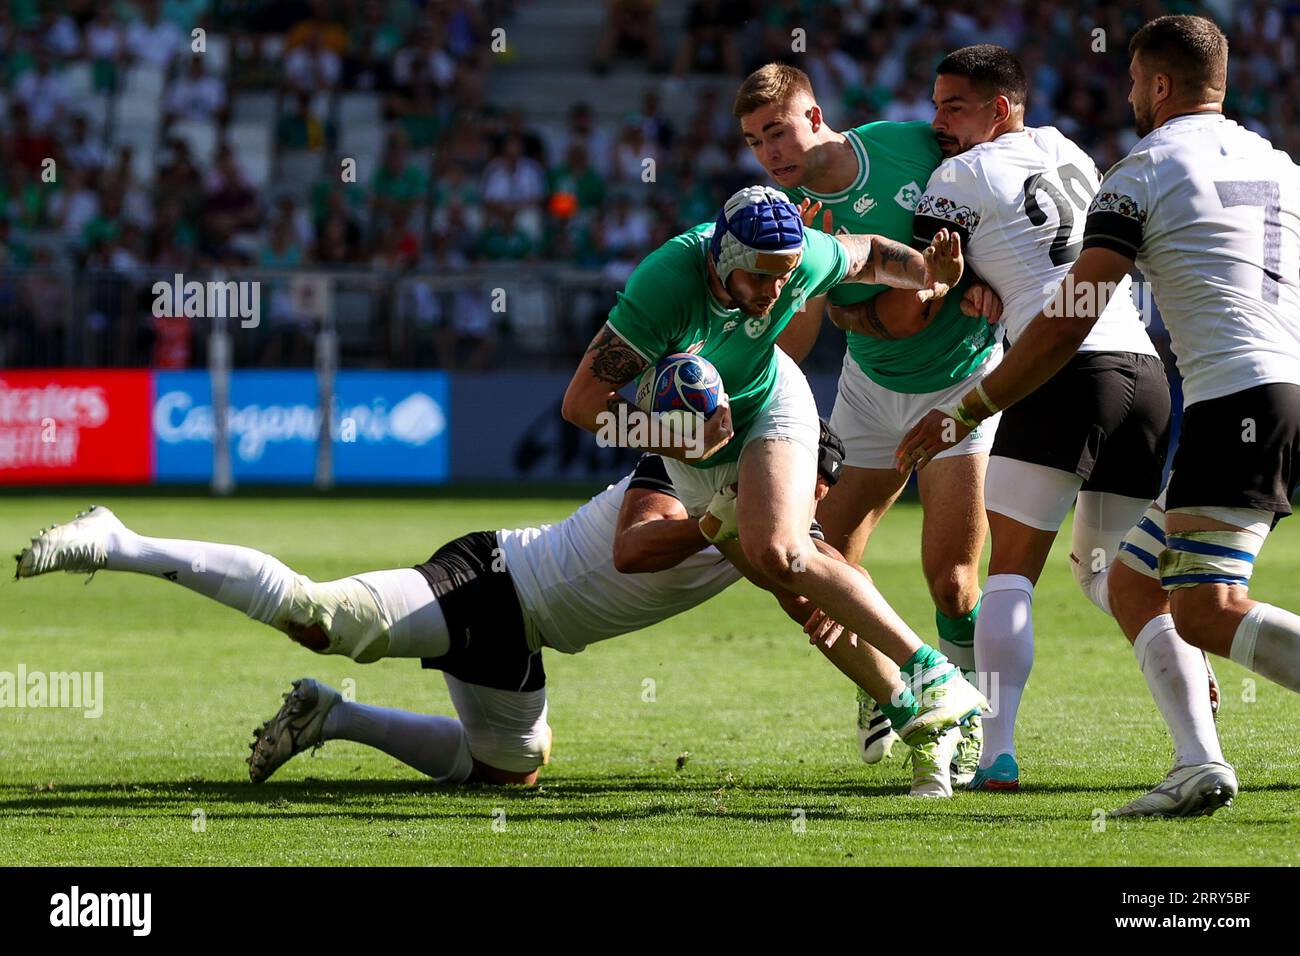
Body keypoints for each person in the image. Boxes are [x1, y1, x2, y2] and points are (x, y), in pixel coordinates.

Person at [898, 15, 1300, 816]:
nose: (1127, 97)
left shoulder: (1143, 167)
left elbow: (1073, 302)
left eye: (1130, 83)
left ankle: (999, 748)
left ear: (1155, 85)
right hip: (1198, 382)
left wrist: (972, 401)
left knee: (1198, 603)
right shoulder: (1278, 163)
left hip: (1223, 396)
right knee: (1126, 579)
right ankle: (1197, 762)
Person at [15, 433, 847, 788]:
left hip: (523, 634)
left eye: (818, 493)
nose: (807, 503)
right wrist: (723, 523)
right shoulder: (694, 465)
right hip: (493, 580)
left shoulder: (778, 532)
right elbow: (639, 547)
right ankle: (115, 539)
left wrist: (816, 609)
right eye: (804, 480)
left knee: (508, 770)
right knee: (321, 614)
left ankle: (329, 718)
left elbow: (793, 575)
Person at [560, 183, 989, 786]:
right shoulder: (664, 285)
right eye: (761, 279)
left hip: (770, 402)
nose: (775, 293)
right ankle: (917, 719)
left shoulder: (799, 257)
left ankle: (932, 671)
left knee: (783, 549)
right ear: (723, 260)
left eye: (785, 277)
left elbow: (867, 252)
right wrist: (676, 440)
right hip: (689, 445)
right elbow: (581, 405)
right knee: (795, 592)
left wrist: (929, 274)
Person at [905, 45, 1176, 791]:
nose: (938, 124)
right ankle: (1196, 722)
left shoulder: (955, 176)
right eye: (934, 105)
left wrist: (965, 289)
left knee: (1010, 576)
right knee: (1114, 574)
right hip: (1143, 371)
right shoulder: (1070, 151)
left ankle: (995, 755)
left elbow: (927, 272)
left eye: (953, 107)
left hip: (1059, 367)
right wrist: (982, 284)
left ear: (1001, 108)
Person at [734, 63, 1004, 781]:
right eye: (756, 142)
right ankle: (889, 690)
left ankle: (974, 723)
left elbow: (999, 198)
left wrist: (986, 285)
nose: (771, 152)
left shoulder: (911, 145)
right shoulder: (787, 218)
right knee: (823, 572)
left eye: (778, 131)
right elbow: (801, 336)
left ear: (815, 117)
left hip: (961, 384)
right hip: (867, 393)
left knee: (951, 580)